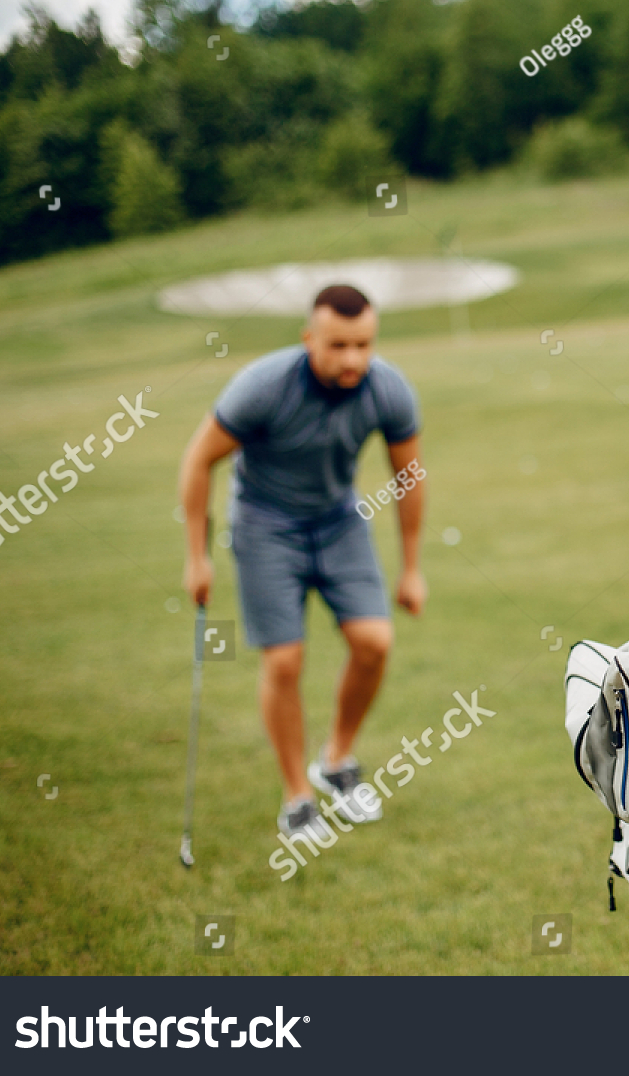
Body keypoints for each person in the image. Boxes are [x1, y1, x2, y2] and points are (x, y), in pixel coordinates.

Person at [178, 284, 427, 849]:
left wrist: (412, 568)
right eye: (338, 345)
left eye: (363, 345)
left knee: (374, 642)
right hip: (265, 526)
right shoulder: (264, 385)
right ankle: (297, 798)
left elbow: (409, 476)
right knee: (284, 661)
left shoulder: (387, 389)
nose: (353, 359)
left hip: (339, 522)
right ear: (308, 338)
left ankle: (335, 762)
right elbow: (198, 460)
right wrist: (196, 557)